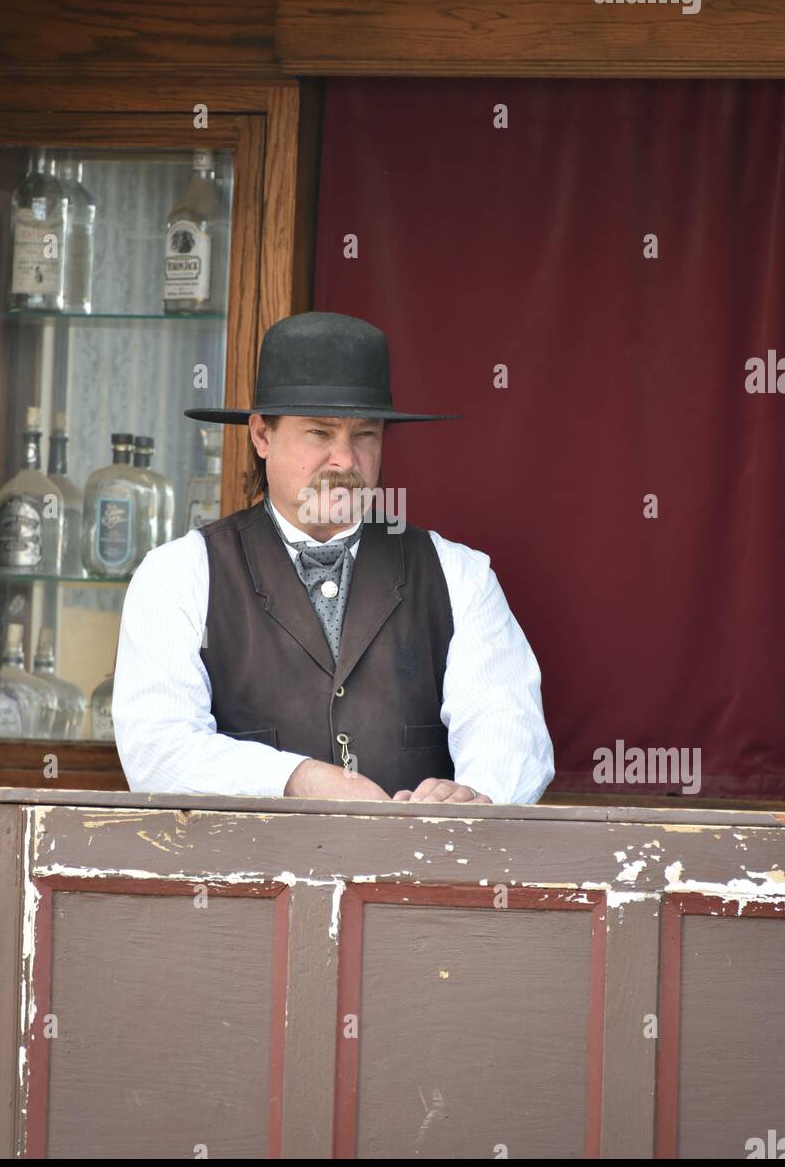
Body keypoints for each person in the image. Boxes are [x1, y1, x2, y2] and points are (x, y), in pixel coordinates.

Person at [113, 311, 554, 804]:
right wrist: (299, 778)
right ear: (261, 435)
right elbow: (158, 750)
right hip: (245, 879)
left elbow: (509, 728)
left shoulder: (459, 576)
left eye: (364, 434)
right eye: (321, 433)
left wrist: (476, 796)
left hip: (412, 876)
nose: (345, 460)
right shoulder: (178, 575)